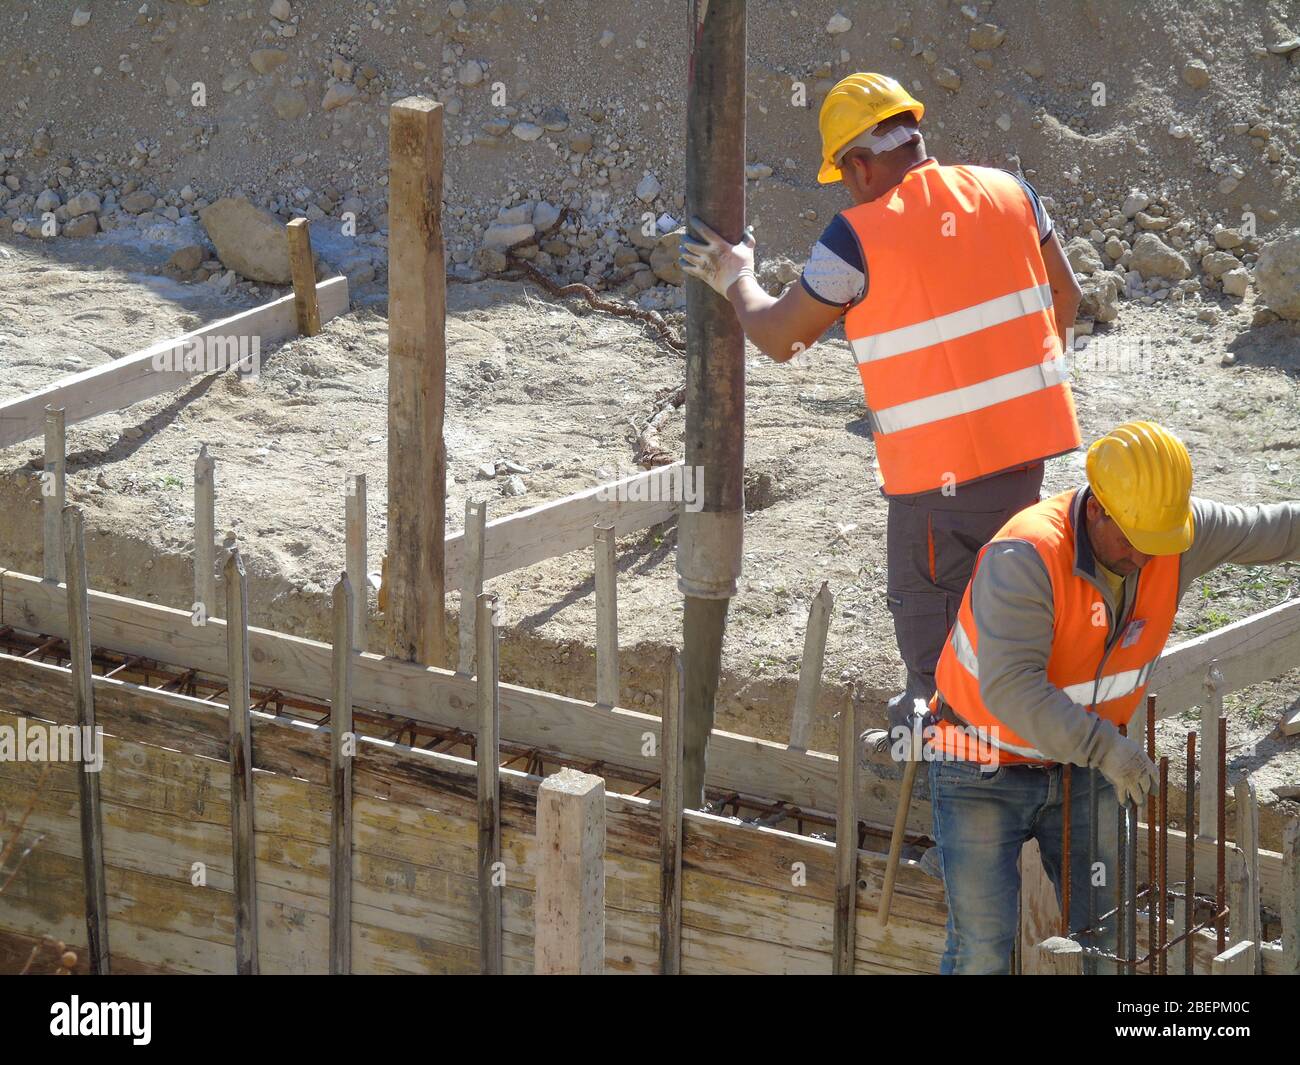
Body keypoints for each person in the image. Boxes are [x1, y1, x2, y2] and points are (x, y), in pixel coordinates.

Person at [680, 72, 1083, 731]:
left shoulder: (858, 236)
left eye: (842, 173)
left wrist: (736, 277)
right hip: (1025, 465)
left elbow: (783, 336)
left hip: (935, 486)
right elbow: (1065, 299)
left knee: (940, 646)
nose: (846, 187)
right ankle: (987, 742)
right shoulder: (1014, 194)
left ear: (861, 165)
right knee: (1009, 615)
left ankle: (951, 771)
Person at [927, 420, 1300, 974]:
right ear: (1097, 508)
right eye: (1132, 542)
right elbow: (1011, 687)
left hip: (1083, 772)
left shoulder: (1166, 533)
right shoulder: (1026, 556)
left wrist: (1098, 754)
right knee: (982, 945)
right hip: (978, 763)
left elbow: (1270, 529)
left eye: (1157, 544)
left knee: (1108, 938)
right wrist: (1107, 749)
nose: (1145, 558)